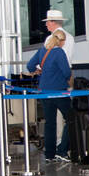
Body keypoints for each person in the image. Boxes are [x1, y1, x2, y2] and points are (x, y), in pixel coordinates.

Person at [26, 29, 73, 162]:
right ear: (61, 41)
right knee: (71, 118)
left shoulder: (42, 50)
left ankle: (49, 154)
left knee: (49, 123)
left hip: (44, 91)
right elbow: (66, 72)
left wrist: (39, 70)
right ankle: (62, 150)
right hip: (59, 91)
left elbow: (29, 66)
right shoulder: (59, 52)